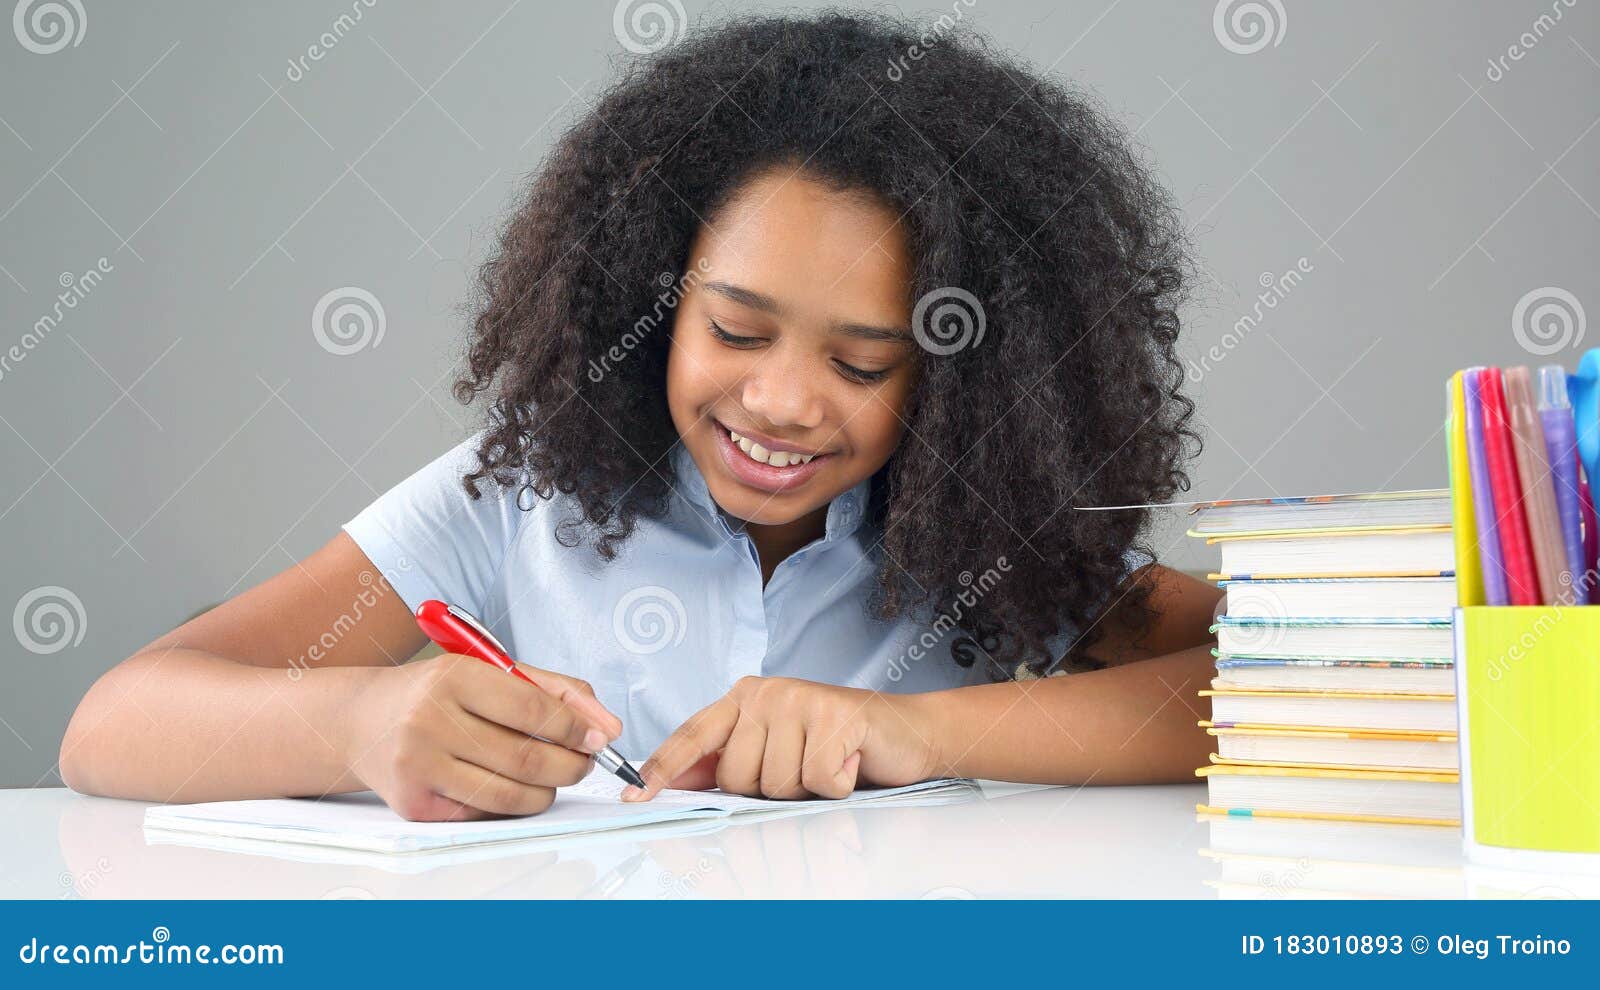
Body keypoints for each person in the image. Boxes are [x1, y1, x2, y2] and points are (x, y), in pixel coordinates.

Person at [61, 13, 1219, 822]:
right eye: (735, 331)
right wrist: (361, 720)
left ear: (962, 382)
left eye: (863, 363)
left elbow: (1280, 684)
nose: (779, 404)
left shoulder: (984, 534)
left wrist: (911, 735)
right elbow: (113, 726)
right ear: (647, 301)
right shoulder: (517, 495)